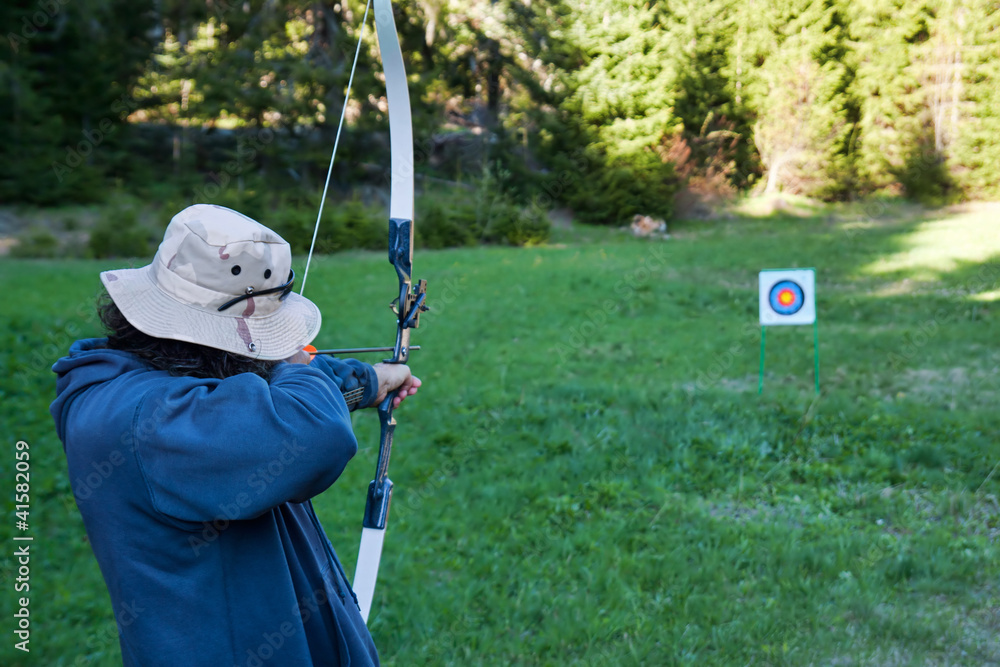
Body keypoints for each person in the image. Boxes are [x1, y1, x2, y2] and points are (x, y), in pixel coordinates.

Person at [50, 204, 419, 666]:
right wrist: (289, 360)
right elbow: (310, 427)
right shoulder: (150, 422)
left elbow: (252, 401)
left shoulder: (128, 387)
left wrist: (369, 380)